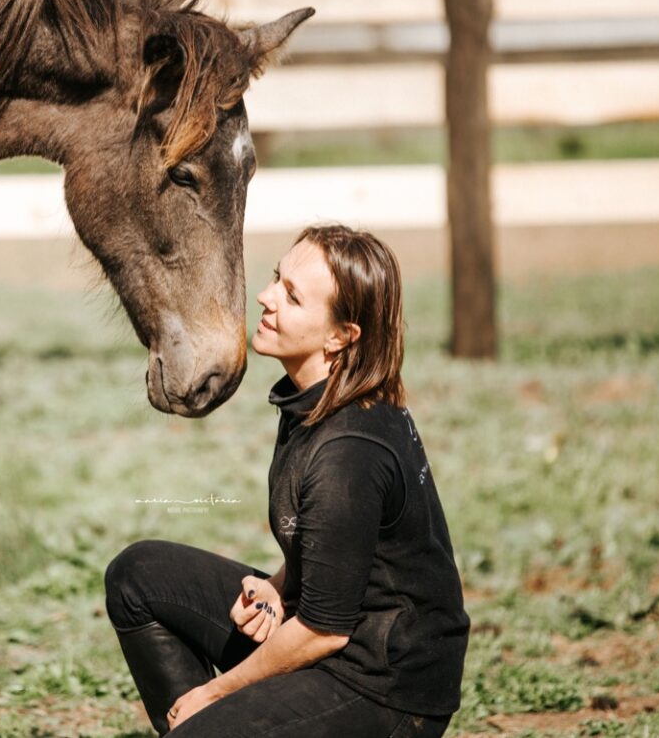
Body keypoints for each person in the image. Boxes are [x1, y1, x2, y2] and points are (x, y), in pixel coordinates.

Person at [104, 225, 469, 736]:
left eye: (292, 297)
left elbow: (321, 632)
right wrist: (279, 586)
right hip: (334, 633)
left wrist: (212, 694)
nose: (265, 296)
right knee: (137, 575)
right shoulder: (316, 399)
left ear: (341, 335)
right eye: (278, 278)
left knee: (202, 721)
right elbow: (339, 547)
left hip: (384, 689)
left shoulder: (350, 452)